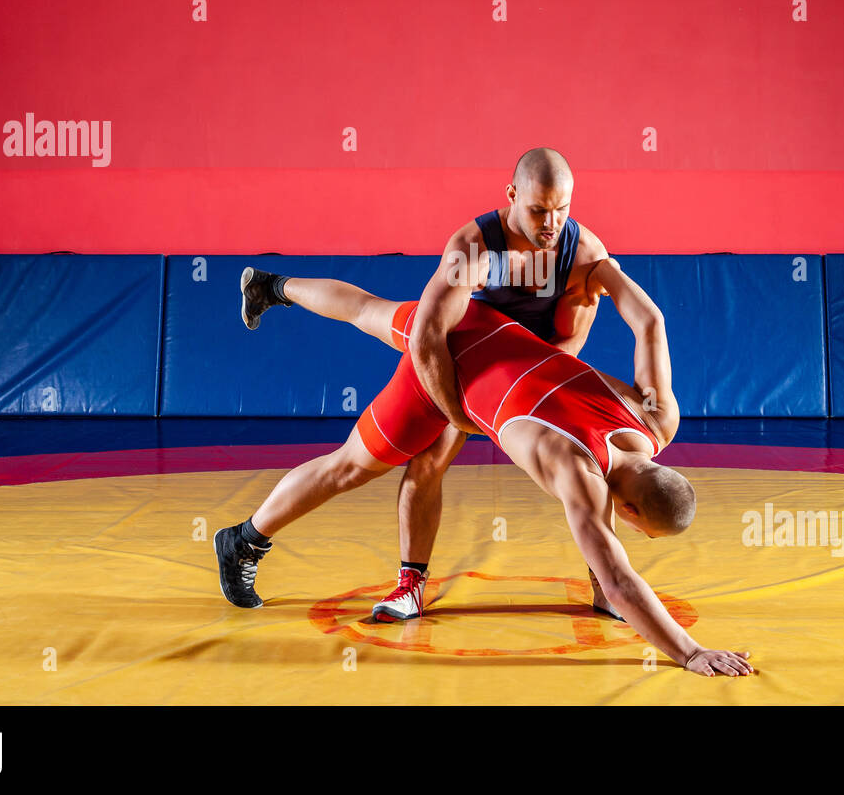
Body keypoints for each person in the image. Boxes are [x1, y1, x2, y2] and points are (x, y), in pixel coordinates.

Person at [216, 257, 754, 677]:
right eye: (637, 525)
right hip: (440, 371)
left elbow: (652, 322)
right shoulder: (575, 469)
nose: (628, 527)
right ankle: (243, 539)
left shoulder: (657, 420)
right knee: (350, 467)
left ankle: (273, 285)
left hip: (482, 325)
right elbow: (619, 579)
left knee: (366, 308)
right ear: (632, 508)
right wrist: (688, 651)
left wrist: (609, 272)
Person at [242, 147, 611, 620]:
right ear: (512, 194)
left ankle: (606, 583)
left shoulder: (582, 254)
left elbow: (565, 349)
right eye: (538, 209)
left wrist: (508, 405)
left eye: (562, 210)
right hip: (452, 354)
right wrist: (458, 412)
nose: (550, 223)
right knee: (405, 455)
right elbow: (428, 336)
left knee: (584, 457)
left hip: (514, 372)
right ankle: (275, 287)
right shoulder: (473, 247)